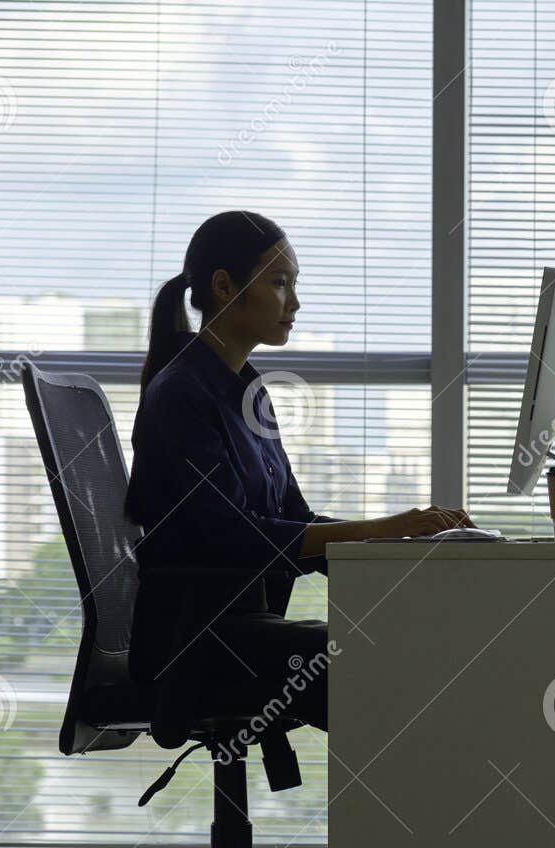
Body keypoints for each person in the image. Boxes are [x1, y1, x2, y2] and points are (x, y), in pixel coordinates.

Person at [126, 210, 472, 731]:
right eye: (280, 283)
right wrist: (386, 527)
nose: (295, 302)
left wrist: (402, 553)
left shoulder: (249, 389)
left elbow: (294, 518)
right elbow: (233, 538)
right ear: (224, 286)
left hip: (243, 630)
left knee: (412, 650)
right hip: (193, 646)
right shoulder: (181, 394)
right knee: (380, 669)